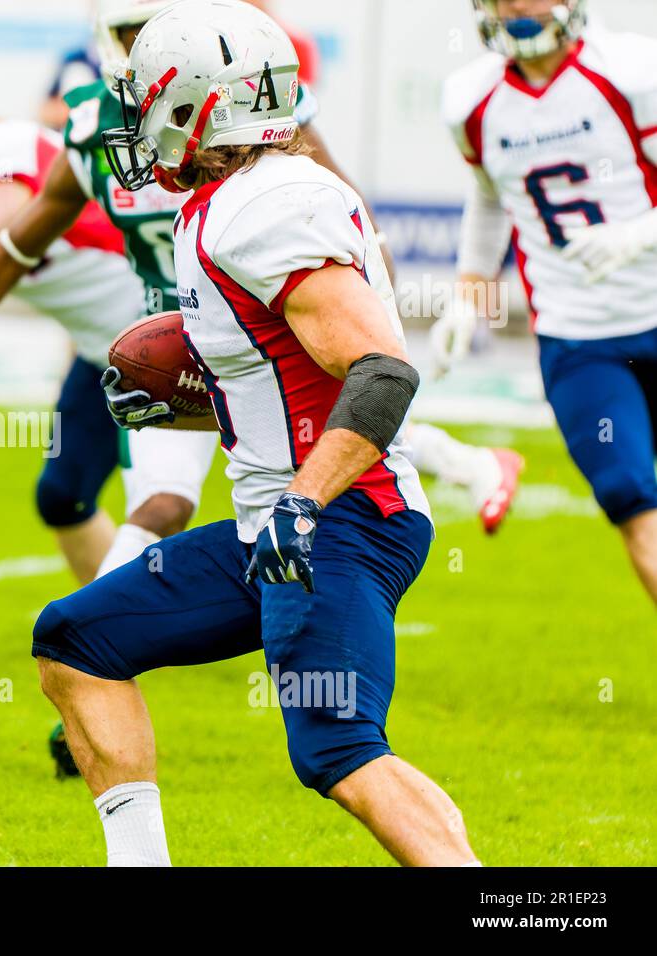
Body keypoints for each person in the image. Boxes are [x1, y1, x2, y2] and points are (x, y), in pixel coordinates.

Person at [34, 0, 479, 866]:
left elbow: (382, 373)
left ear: (195, 104)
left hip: (336, 519)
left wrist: (303, 504)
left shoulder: (264, 207)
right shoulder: (228, 200)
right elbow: (291, 372)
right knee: (76, 641)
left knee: (338, 750)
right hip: (280, 522)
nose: (133, 120)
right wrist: (196, 400)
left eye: (146, 98)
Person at [0, 54, 219, 587]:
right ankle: (106, 642)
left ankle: (101, 637)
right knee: (63, 495)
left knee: (159, 503)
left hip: (167, 343)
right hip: (107, 347)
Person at [438, 0, 657, 606]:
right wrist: (469, 291)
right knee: (630, 497)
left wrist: (638, 234)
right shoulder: (470, 100)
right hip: (578, 337)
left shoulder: (634, 71)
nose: (519, 7)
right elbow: (488, 196)